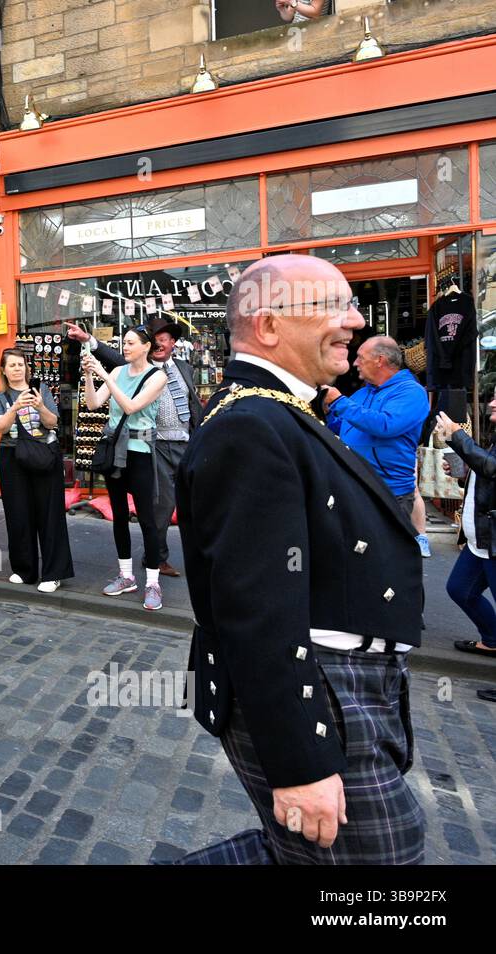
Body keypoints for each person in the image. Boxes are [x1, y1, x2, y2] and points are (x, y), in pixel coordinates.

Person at [175, 254, 424, 865]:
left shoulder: (282, 410)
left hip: (351, 682)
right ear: (268, 326)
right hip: (320, 687)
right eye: (334, 306)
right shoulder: (252, 424)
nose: (356, 320)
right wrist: (300, 760)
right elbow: (256, 607)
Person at [68, 316, 202, 577]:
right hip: (154, 444)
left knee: (190, 501)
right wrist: (89, 346)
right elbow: (109, 390)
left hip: (185, 443)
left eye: (165, 339)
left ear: (172, 343)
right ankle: (156, 560)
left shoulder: (185, 368)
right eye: (157, 339)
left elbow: (193, 403)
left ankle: (195, 557)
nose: (160, 344)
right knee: (158, 506)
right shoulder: (137, 368)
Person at [81, 328, 168, 610]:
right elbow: (93, 403)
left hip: (140, 453)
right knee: (119, 515)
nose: (125, 347)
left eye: (130, 343)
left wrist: (105, 374)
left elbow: (130, 407)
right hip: (115, 451)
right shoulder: (118, 371)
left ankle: (153, 582)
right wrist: (88, 375)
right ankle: (126, 575)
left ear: (146, 347)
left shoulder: (157, 377)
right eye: (123, 343)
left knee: (147, 519)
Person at [323, 336, 432, 556]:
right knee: (361, 559)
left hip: (389, 492)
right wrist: (328, 412)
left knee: (388, 561)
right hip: (356, 488)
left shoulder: (411, 392)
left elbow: (385, 425)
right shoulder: (363, 392)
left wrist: (338, 401)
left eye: (360, 357)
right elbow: (345, 426)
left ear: (379, 360)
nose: (355, 363)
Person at [0, 348, 74, 592]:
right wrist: (15, 407)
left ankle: (53, 573)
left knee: (49, 514)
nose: (17, 369)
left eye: (20, 365)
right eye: (12, 365)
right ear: (4, 371)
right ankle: (23, 569)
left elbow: (53, 422)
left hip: (43, 455)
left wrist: (40, 406)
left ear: (27, 368)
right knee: (18, 514)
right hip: (11, 457)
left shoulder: (43, 390)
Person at [436, 401, 496, 661]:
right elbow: (488, 472)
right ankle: (493, 640)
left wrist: (457, 436)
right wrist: (466, 473)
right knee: (461, 589)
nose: (492, 403)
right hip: (481, 538)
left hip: (493, 540)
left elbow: (493, 468)